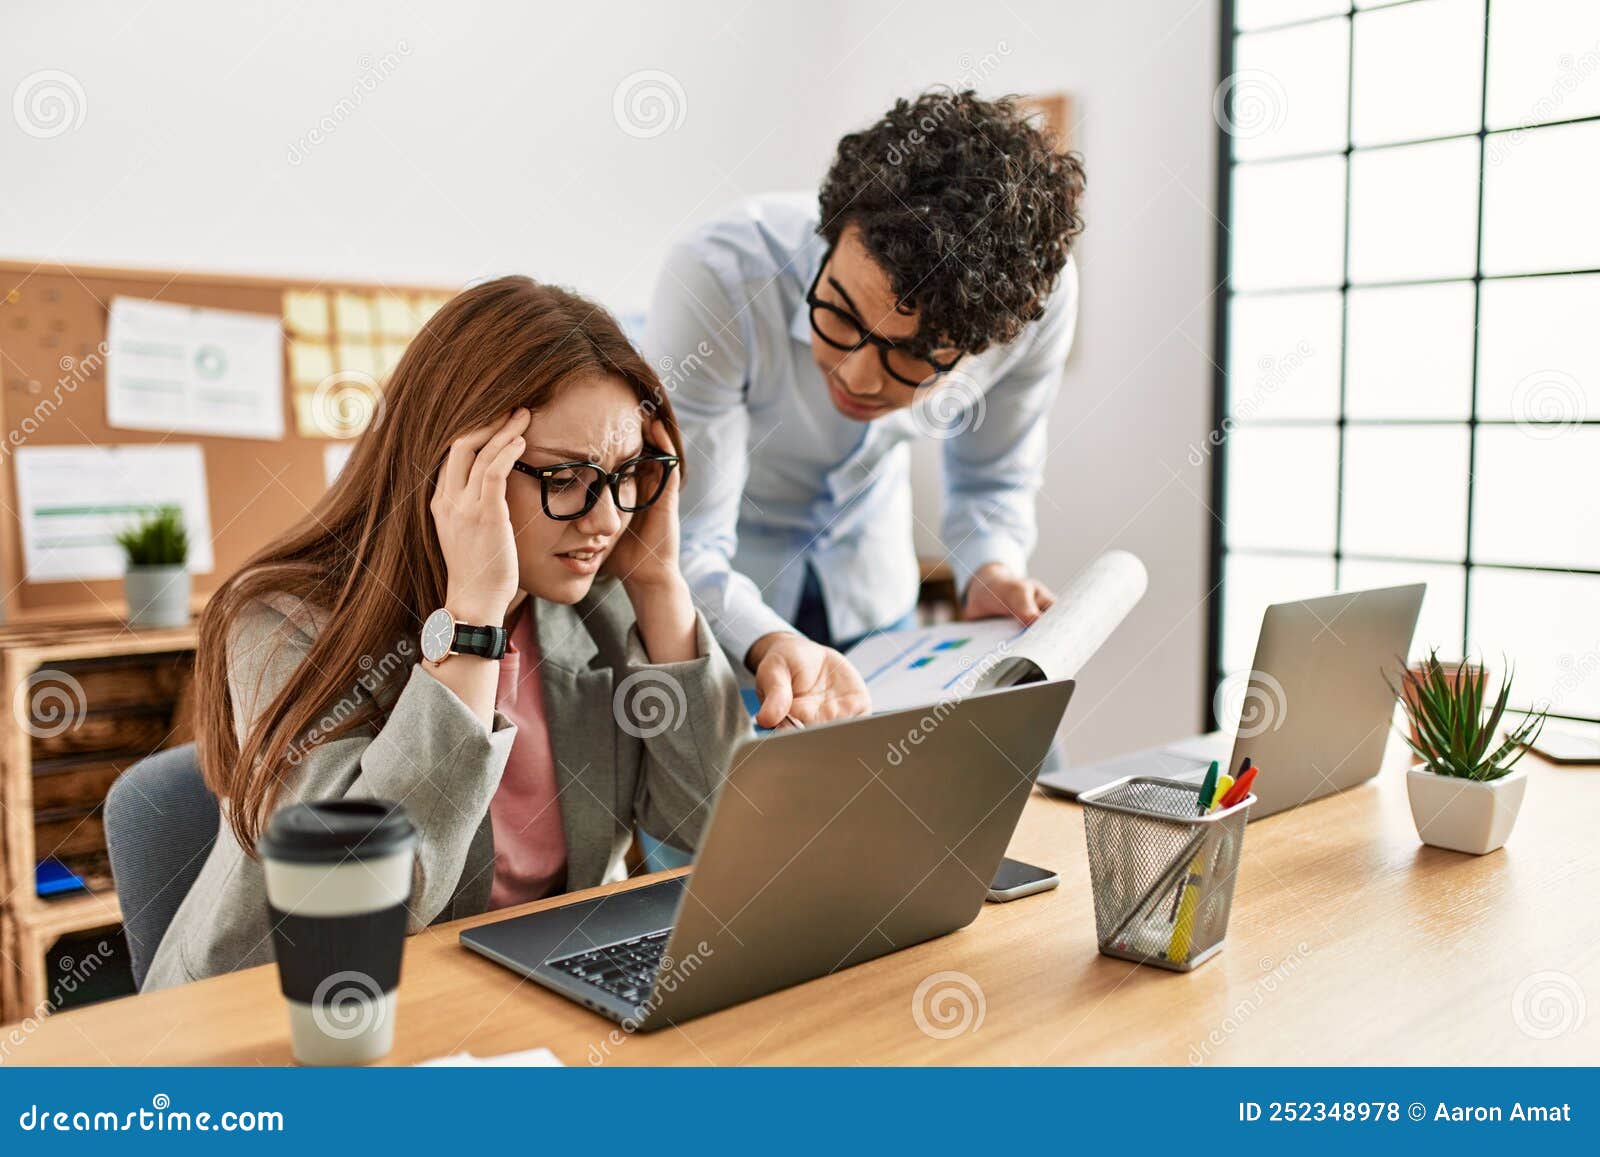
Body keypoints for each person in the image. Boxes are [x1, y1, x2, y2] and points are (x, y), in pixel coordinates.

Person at [144, 277, 750, 990]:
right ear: (454, 466)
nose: (606, 518)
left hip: (511, 996)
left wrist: (659, 583)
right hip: (282, 1015)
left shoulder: (598, 600)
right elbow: (357, 899)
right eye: (565, 477)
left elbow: (722, 827)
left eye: (626, 475)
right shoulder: (279, 621)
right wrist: (473, 621)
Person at [645, 89, 1086, 729]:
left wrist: (989, 567)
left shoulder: (1035, 306)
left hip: (873, 589)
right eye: (841, 313)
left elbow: (993, 479)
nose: (855, 375)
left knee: (903, 814)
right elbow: (679, 541)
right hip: (717, 599)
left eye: (911, 354)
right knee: (712, 823)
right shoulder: (720, 276)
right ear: (829, 238)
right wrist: (765, 642)